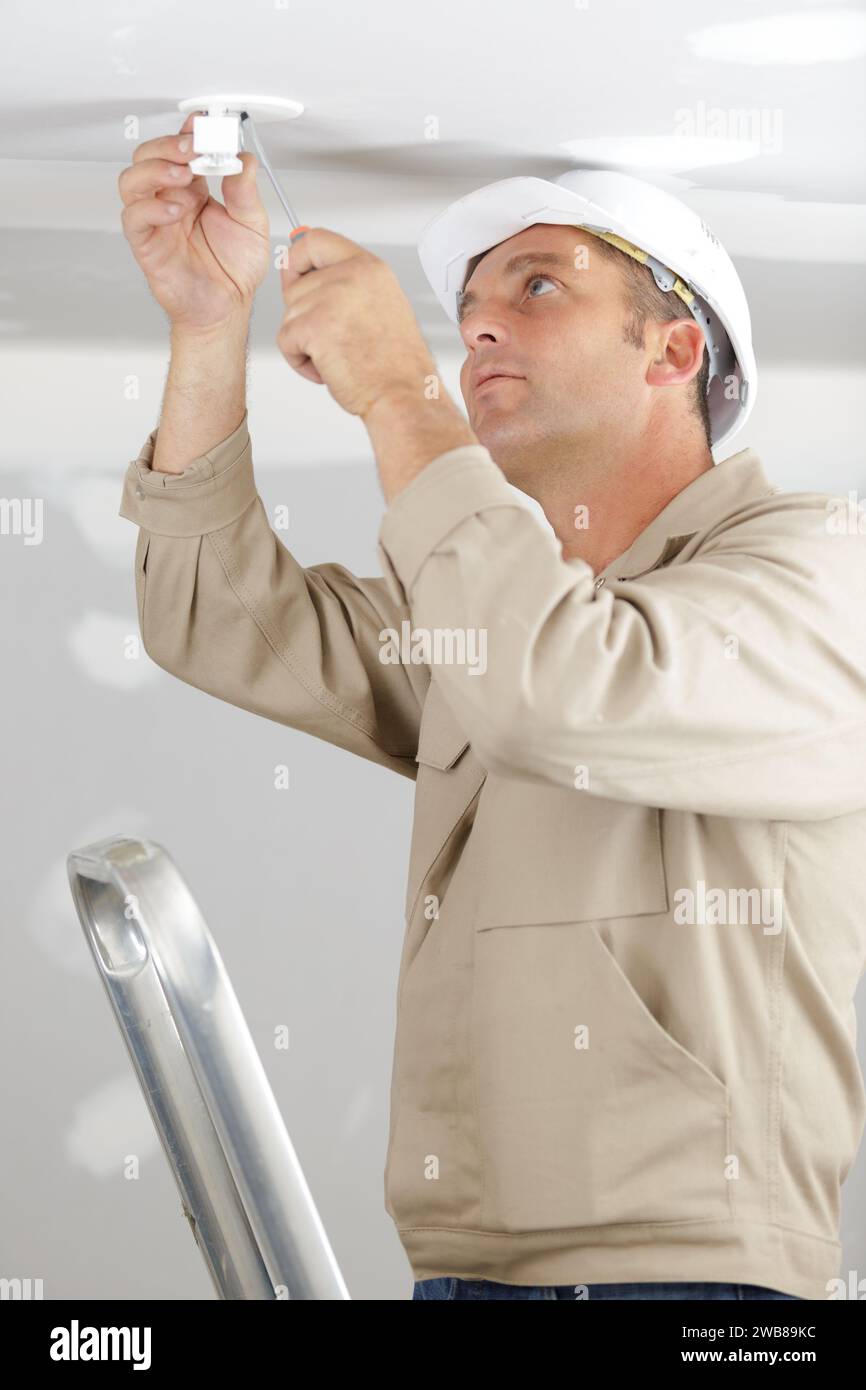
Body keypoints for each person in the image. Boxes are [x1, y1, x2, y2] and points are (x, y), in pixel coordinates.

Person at [117, 116, 866, 1301]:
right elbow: (214, 617)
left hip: (690, 1288)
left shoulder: (822, 568)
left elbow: (559, 686)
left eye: (535, 284)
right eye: (469, 303)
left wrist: (402, 395)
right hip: (465, 1272)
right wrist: (208, 331)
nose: (473, 327)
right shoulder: (499, 601)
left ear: (671, 353)